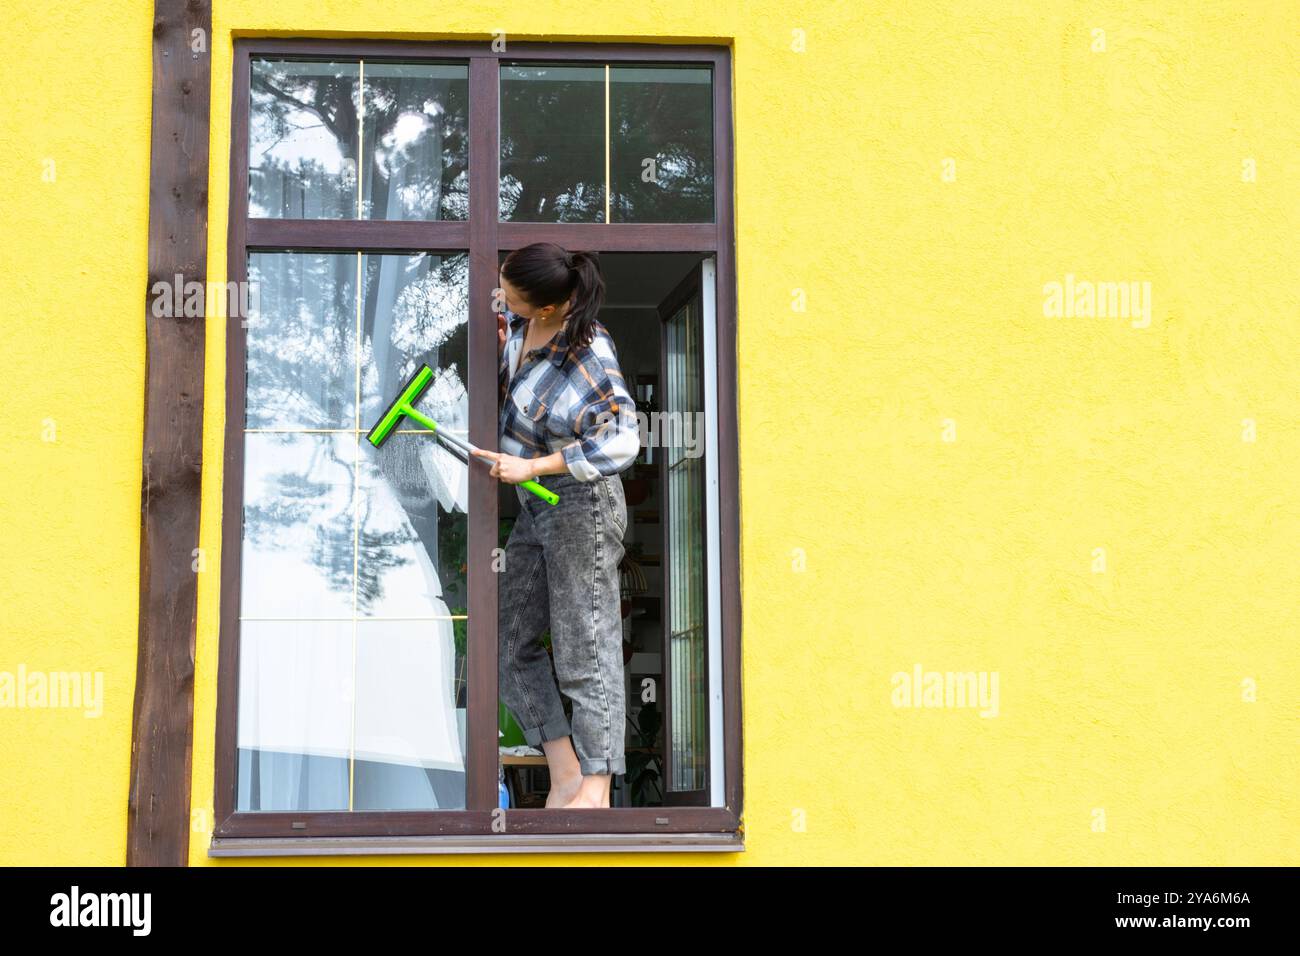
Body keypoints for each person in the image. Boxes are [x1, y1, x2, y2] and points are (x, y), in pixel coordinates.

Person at [473, 242, 640, 809]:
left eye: (510, 290)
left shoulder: (588, 349)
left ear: (547, 307)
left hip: (581, 500)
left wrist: (533, 466)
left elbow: (621, 438)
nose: (500, 291)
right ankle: (564, 771)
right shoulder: (521, 332)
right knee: (504, 639)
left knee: (583, 642)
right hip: (537, 505)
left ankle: (597, 788)